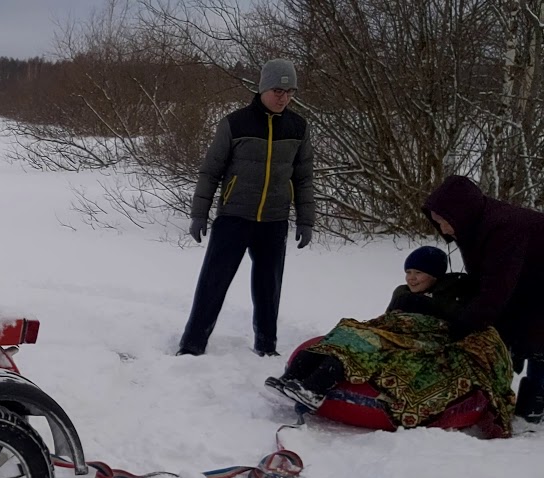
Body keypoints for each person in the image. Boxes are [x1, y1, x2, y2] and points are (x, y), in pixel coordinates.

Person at [263, 246, 516, 436]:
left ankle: (314, 390)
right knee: (346, 331)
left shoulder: (452, 293)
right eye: (408, 272)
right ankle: (293, 379)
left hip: (423, 342)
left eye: (419, 273)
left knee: (361, 343)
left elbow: (452, 325)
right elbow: (389, 321)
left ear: (435, 275)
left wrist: (421, 310)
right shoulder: (402, 292)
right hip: (394, 334)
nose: (411, 278)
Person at [178, 58, 315, 357]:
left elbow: (304, 178)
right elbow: (210, 171)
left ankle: (267, 348)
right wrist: (198, 214)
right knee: (212, 285)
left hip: (274, 220)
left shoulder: (298, 127)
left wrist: (307, 220)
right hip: (234, 218)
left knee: (269, 290)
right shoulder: (235, 123)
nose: (284, 97)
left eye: (290, 91)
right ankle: (192, 346)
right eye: (278, 90)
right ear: (264, 87)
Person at [422, 175, 544, 423]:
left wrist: (461, 328)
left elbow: (495, 291)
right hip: (530, 283)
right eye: (437, 223)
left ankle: (537, 400)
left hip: (538, 286)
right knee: (517, 331)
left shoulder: (504, 227)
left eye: (445, 222)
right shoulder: (474, 226)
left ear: (460, 213)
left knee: (538, 340)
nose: (443, 229)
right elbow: (486, 281)